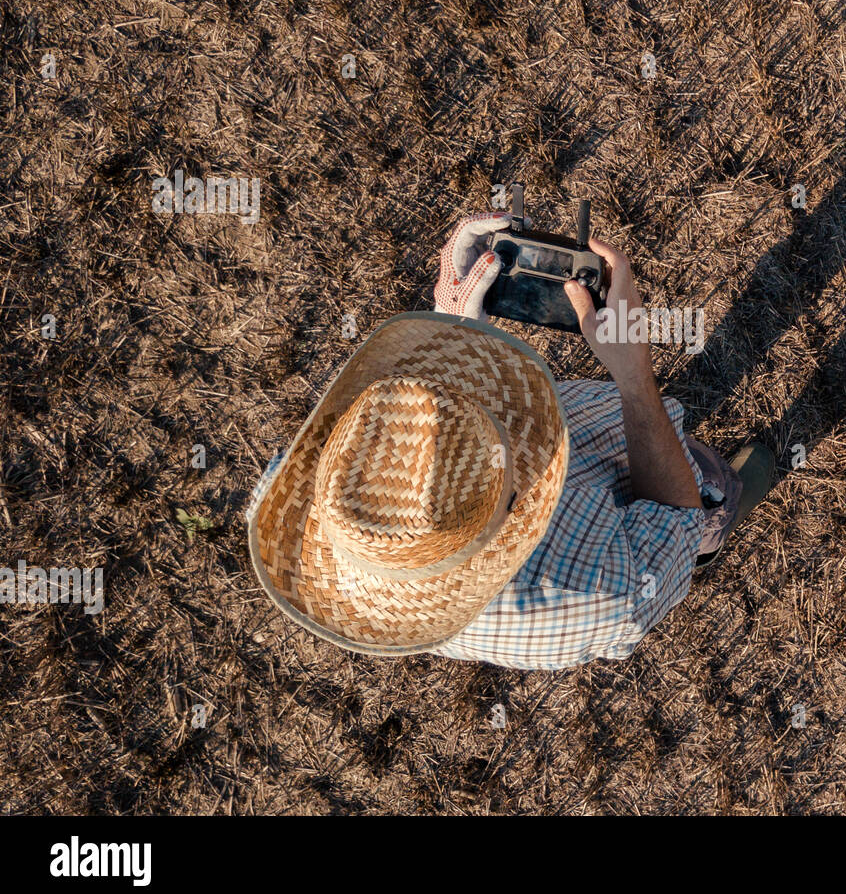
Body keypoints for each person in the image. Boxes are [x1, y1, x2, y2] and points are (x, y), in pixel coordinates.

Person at [246, 212, 774, 669]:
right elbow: (670, 518)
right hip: (646, 515)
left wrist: (456, 325)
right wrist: (634, 376)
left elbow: (418, 446)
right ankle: (718, 514)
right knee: (695, 505)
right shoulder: (604, 596)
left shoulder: (323, 500)